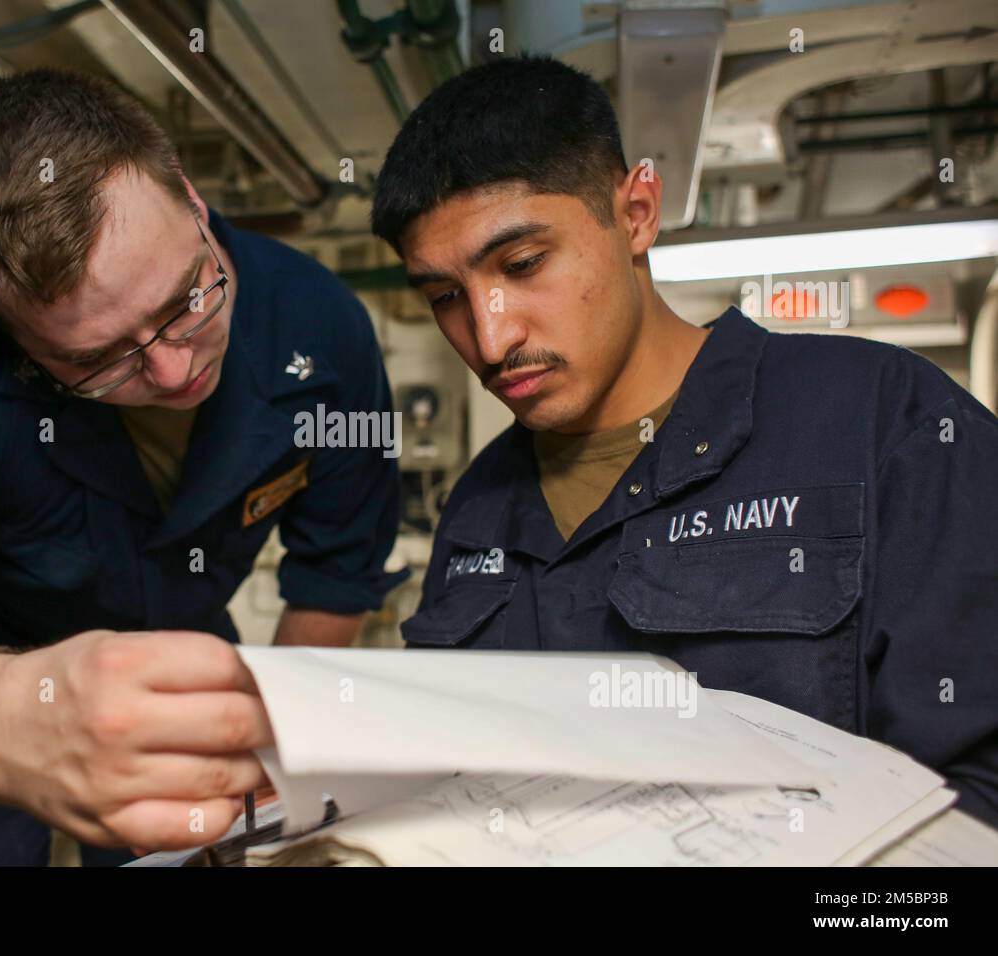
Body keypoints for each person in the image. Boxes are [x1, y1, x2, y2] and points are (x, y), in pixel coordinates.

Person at [0, 70, 405, 864]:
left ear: (188, 197)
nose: (170, 372)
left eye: (186, 299)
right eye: (97, 358)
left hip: (180, 648)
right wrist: (9, 724)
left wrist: (281, 747)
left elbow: (336, 572)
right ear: (6, 332)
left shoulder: (318, 324)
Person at [371, 54, 998, 827]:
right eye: (444, 296)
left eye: (524, 263)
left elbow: (979, 792)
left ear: (636, 213)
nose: (491, 337)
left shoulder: (884, 424)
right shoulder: (477, 511)